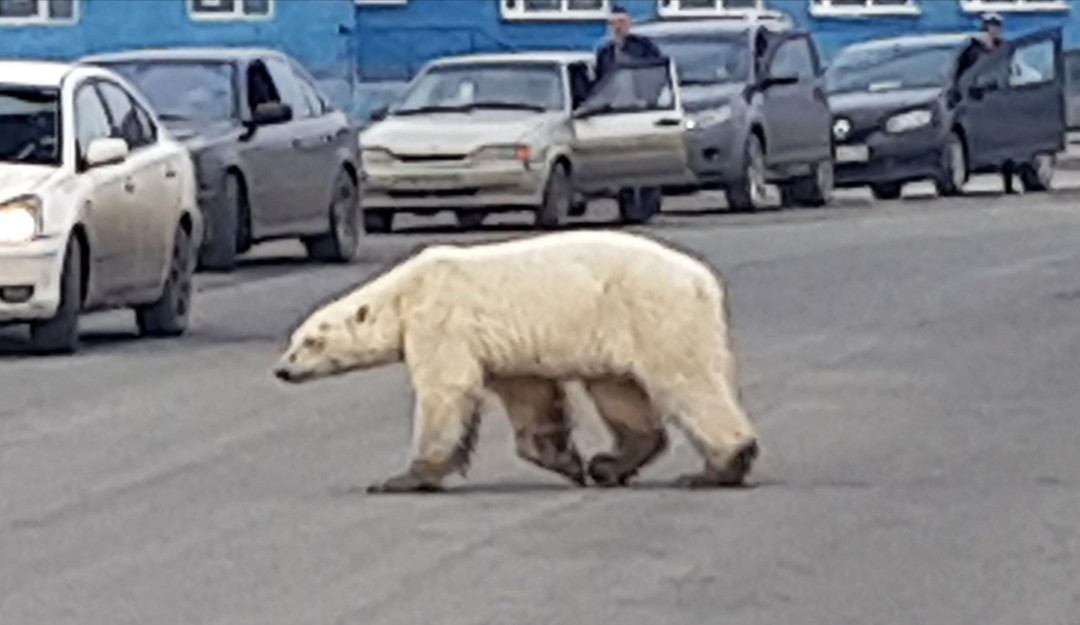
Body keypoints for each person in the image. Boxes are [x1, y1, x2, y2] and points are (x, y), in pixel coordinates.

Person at [592, 4, 664, 223]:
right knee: (622, 160)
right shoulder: (605, 52)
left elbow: (658, 72)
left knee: (646, 159)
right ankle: (627, 207)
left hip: (642, 108)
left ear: (630, 23)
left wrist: (649, 97)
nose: (619, 27)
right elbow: (600, 81)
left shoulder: (643, 47)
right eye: (614, 24)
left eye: (622, 23)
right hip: (616, 110)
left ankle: (649, 204)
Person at [954, 13, 1018, 193]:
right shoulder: (974, 51)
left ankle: (1009, 182)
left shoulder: (1004, 48)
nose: (996, 30)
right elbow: (965, 75)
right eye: (992, 26)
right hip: (979, 100)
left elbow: (1010, 70)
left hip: (1002, 100)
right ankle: (964, 177)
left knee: (1006, 141)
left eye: (998, 26)